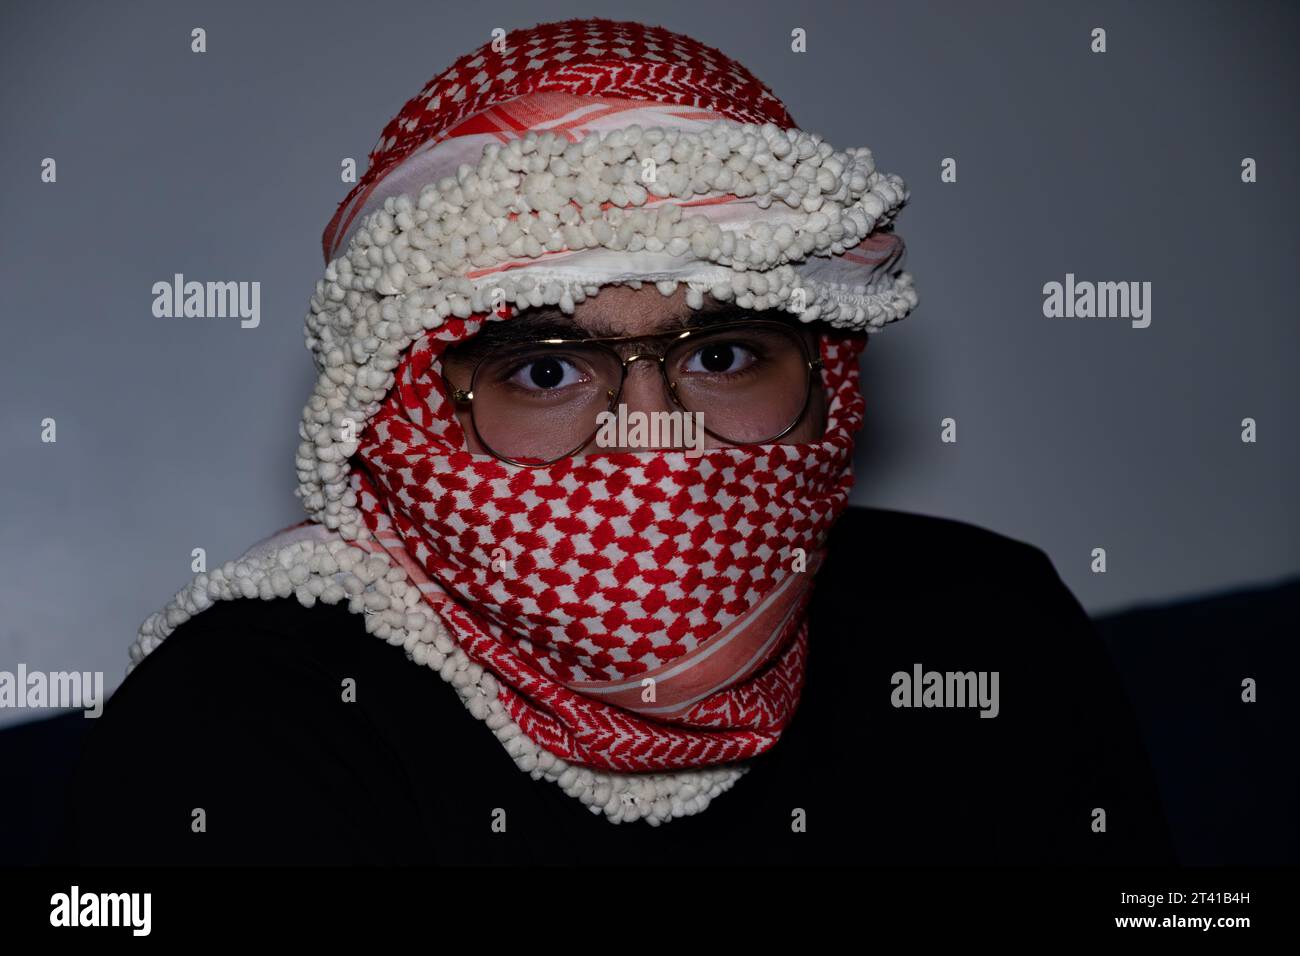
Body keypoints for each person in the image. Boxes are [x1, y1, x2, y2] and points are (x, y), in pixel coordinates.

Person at [63, 18, 1174, 865]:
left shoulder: (982, 620)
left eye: (725, 353)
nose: (659, 436)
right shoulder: (249, 717)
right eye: (546, 369)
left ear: (826, 374)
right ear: (412, 414)